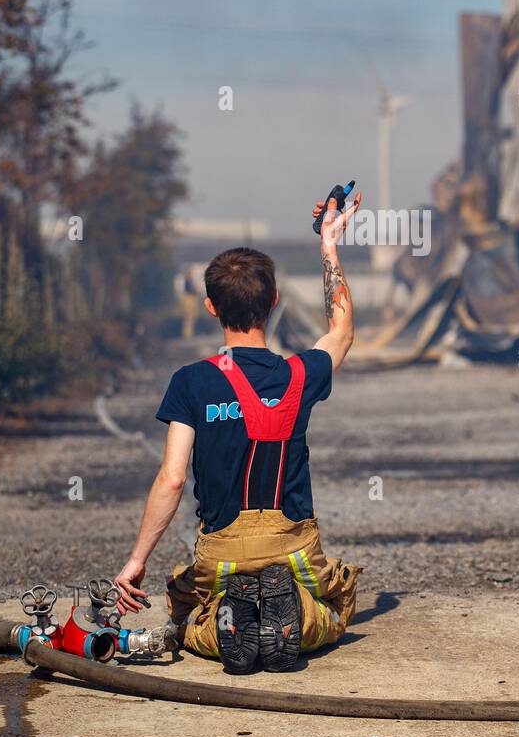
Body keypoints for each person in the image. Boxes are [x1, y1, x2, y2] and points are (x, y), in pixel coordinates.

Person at [113, 192, 362, 673]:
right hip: (294, 551)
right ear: (273, 301)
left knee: (184, 616)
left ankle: (229, 621)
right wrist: (329, 243)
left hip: (221, 553)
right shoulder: (301, 373)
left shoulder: (191, 381)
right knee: (333, 612)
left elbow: (171, 479)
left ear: (210, 307)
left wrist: (137, 560)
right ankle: (289, 612)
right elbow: (342, 329)